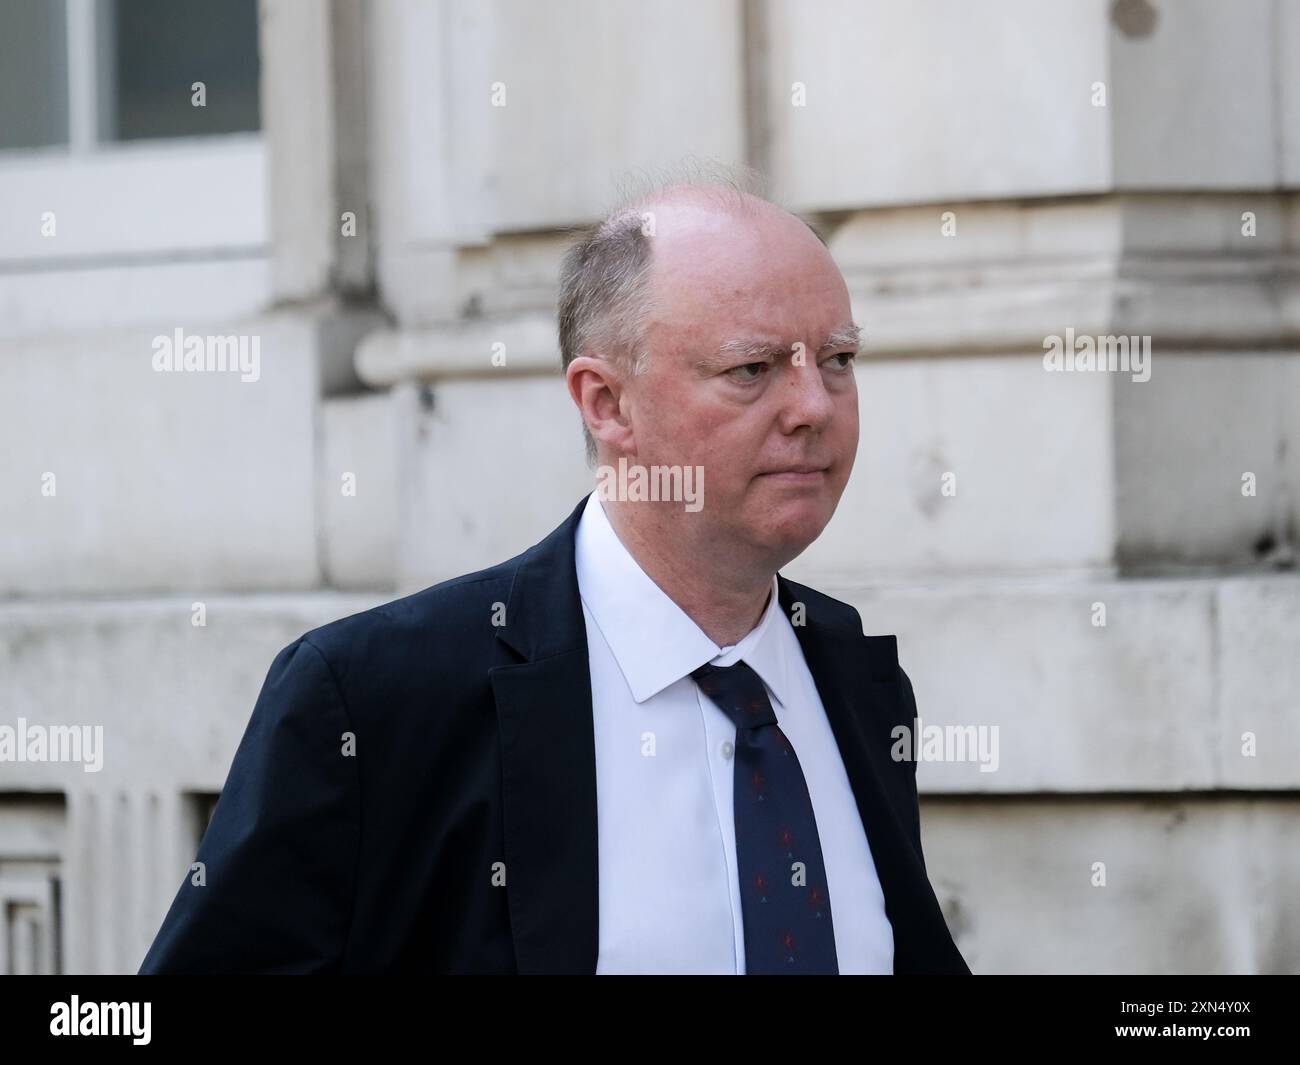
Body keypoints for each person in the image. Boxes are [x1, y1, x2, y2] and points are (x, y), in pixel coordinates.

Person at [139, 165, 970, 975]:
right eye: (751, 369)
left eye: (838, 359)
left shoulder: (851, 672)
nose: (814, 408)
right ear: (605, 403)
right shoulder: (376, 697)